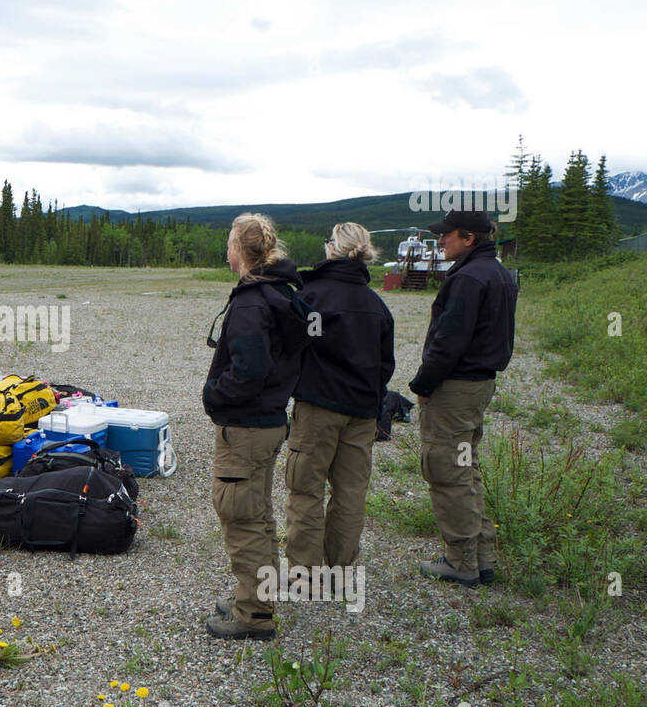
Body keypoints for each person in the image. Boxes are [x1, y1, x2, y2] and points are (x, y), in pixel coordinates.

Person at [203, 213, 309, 640]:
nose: (227, 252)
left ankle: (253, 615)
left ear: (239, 250)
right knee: (258, 515)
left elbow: (250, 371)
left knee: (241, 517)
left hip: (246, 428)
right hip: (268, 423)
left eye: (230, 243)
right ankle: (256, 594)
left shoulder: (251, 302)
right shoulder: (281, 293)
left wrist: (214, 395)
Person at [409, 209, 517, 587]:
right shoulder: (499, 273)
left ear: (468, 237)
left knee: (447, 470)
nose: (441, 241)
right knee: (466, 468)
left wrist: (423, 384)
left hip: (454, 389)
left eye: (447, 235)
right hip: (479, 386)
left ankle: (461, 561)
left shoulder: (469, 277)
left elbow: (449, 341)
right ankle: (482, 557)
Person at [284, 223, 395, 587]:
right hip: (361, 413)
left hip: (317, 408)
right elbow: (385, 365)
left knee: (306, 490)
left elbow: (290, 348)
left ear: (333, 249)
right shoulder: (376, 304)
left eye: (328, 241)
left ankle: (304, 572)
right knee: (350, 494)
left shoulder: (311, 296)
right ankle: (341, 572)